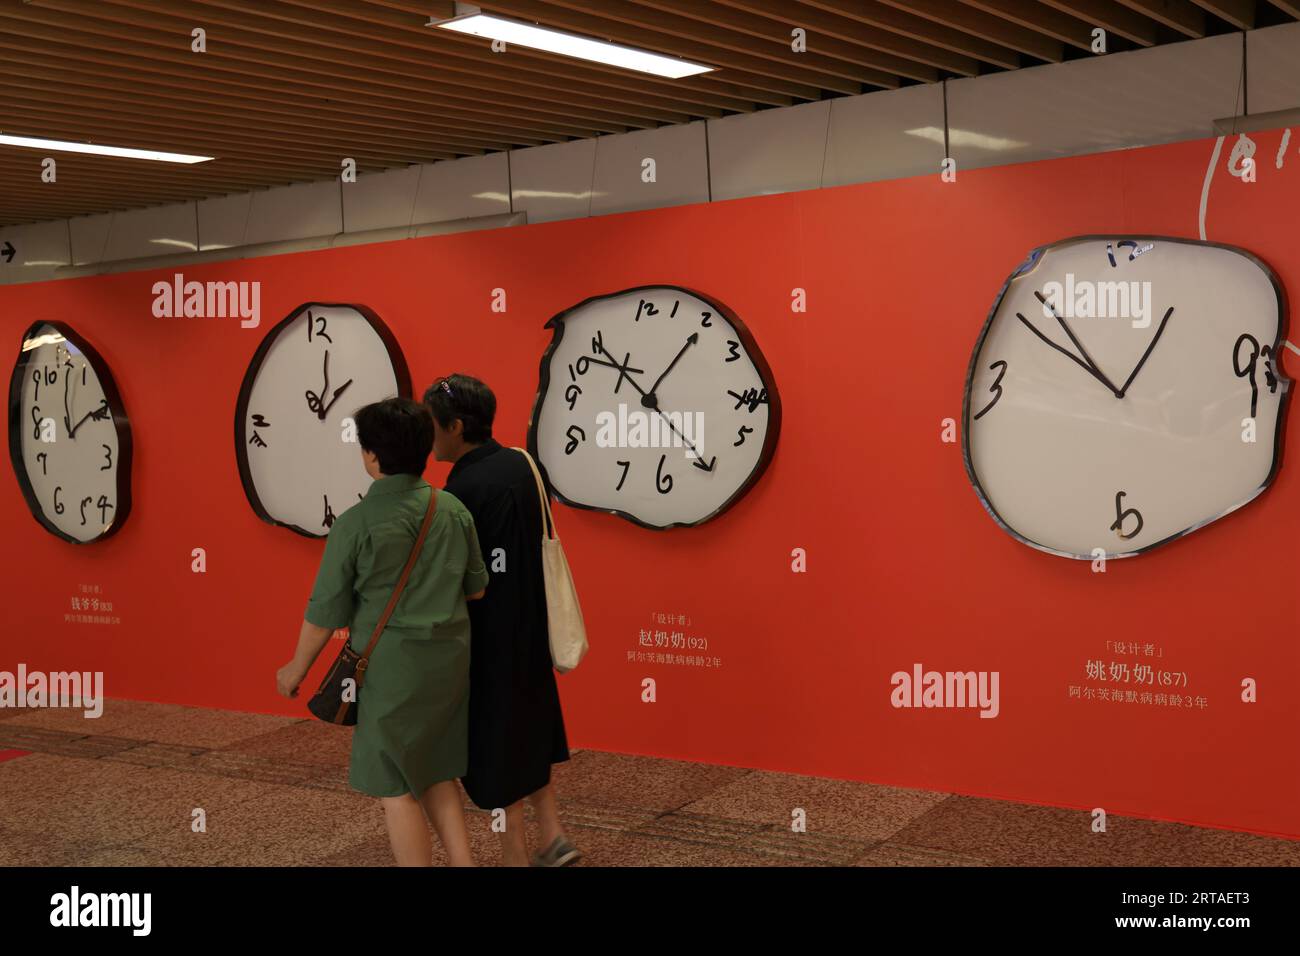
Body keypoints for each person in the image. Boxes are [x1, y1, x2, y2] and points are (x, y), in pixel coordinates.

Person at [276, 397, 489, 867]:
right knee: (435, 768)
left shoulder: (356, 524)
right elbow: (476, 590)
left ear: (371, 456)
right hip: (449, 661)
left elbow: (326, 609)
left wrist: (296, 668)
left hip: (391, 669)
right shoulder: (452, 509)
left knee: (395, 784)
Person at [423, 374, 580, 867]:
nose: (429, 437)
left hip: (487, 632)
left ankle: (514, 852)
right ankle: (552, 834)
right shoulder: (521, 462)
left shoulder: (462, 488)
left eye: (433, 426)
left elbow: (464, 573)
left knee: (498, 738)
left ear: (455, 427)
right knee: (529, 724)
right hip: (531, 621)